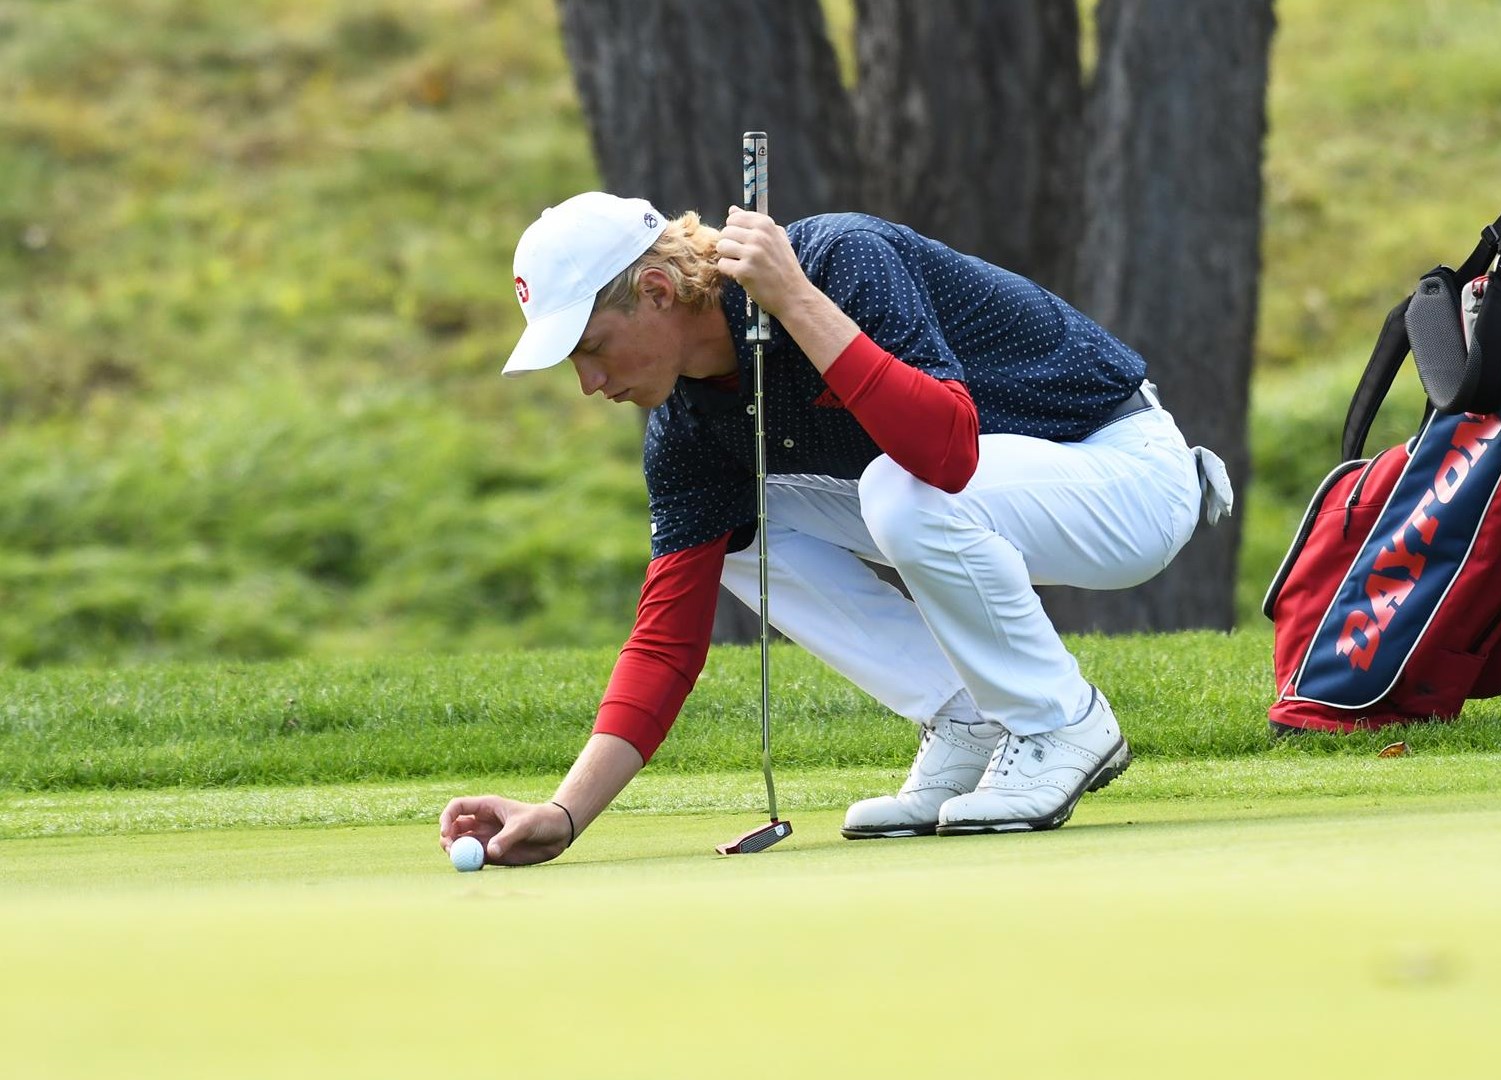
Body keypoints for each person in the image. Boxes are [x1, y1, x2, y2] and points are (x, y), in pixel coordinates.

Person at [438, 191, 1231, 864]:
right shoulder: (684, 429)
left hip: (1124, 475)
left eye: (592, 348)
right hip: (984, 497)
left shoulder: (839, 260)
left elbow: (946, 451)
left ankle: (1058, 721)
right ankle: (969, 715)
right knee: (733, 532)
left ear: (654, 290)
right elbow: (666, 639)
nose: (588, 384)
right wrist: (565, 813)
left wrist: (797, 303)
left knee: (903, 487)